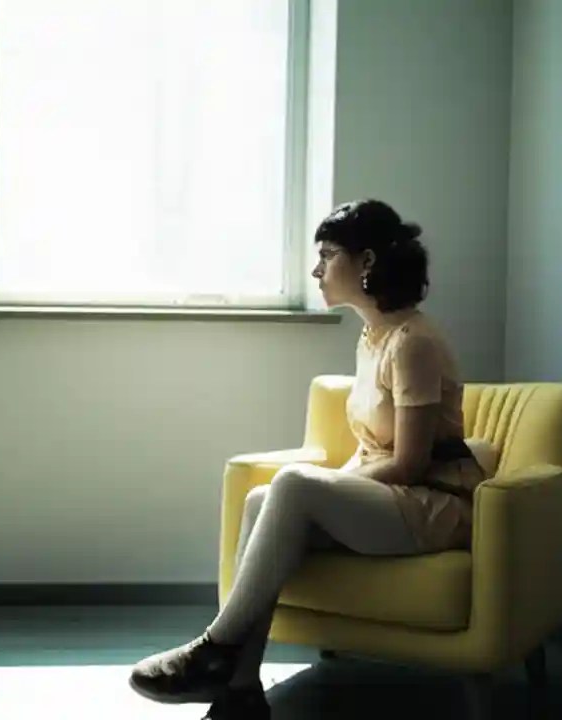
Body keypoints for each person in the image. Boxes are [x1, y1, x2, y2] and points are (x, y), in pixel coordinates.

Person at [128, 199, 490, 719]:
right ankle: (240, 688)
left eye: (327, 255)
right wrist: (323, 488)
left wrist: (319, 486)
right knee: (262, 497)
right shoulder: (374, 338)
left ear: (366, 263)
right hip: (394, 497)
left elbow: (409, 463)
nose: (317, 269)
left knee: (293, 486)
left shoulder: (414, 344)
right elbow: (376, 455)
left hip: (434, 504)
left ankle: (216, 646)